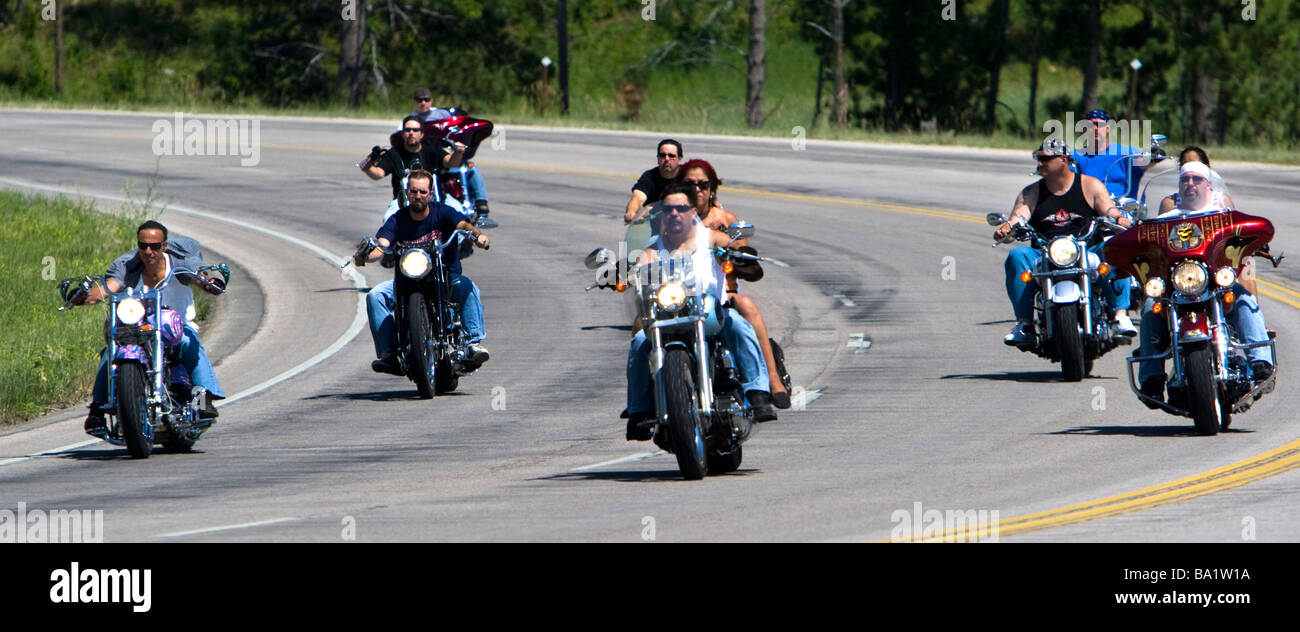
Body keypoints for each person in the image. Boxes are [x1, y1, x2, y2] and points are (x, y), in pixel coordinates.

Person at [624, 182, 777, 441]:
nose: (674, 214)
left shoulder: (710, 238)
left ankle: (758, 391)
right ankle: (640, 410)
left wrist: (740, 254)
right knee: (639, 341)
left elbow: (736, 249)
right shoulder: (653, 248)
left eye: (681, 208)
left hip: (709, 312)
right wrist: (620, 273)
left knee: (738, 325)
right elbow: (637, 267)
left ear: (693, 211)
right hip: (667, 316)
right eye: (669, 209)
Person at [1135, 161, 1273, 404]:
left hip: (1216, 285)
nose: (1190, 184)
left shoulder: (1222, 216)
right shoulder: (1167, 220)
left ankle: (1261, 362)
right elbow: (1143, 241)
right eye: (1185, 179)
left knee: (1243, 299)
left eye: (1196, 179)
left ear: (1208, 184)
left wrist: (1257, 241)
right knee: (1149, 309)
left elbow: (1243, 230)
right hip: (1178, 288)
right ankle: (1151, 378)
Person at [80, 221, 225, 436]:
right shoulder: (128, 266)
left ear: (164, 246)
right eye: (143, 245)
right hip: (139, 328)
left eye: (155, 246)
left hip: (177, 326)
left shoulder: (179, 262)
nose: (149, 251)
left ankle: (204, 398)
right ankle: (97, 410)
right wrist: (83, 296)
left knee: (188, 342)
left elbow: (198, 277)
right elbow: (109, 288)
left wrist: (211, 284)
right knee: (110, 352)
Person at [994, 139, 1135, 345]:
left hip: (1086, 250)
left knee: (1113, 248)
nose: (1039, 163)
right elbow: (1018, 216)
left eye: (1045, 159)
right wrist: (1008, 227)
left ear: (1063, 159)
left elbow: (1108, 208)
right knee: (1017, 256)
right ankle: (1024, 324)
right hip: (1045, 253)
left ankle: (1120, 317)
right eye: (1038, 158)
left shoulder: (1089, 185)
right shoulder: (1031, 193)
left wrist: (1119, 218)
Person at [678, 159, 791, 409]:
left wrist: (733, 246)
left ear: (712, 189)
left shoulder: (725, 219)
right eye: (689, 184)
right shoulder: (673, 216)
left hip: (722, 295)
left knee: (746, 305)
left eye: (703, 184)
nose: (696, 189)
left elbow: (749, 262)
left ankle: (771, 379)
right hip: (679, 296)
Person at [354, 170, 492, 375]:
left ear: (430, 194)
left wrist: (477, 237)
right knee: (376, 296)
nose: (418, 195)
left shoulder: (443, 212)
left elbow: (463, 225)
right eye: (413, 191)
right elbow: (382, 245)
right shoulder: (397, 219)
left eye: (422, 191)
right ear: (406, 193)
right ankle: (388, 353)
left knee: (467, 287)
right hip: (406, 281)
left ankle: (473, 343)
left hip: (443, 277)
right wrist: (366, 256)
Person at [409, 88, 496, 228]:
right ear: (415, 101)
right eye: (419, 100)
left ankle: (481, 206)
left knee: (470, 167)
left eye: (426, 99)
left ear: (431, 101)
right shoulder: (411, 121)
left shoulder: (442, 114)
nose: (423, 103)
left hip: (447, 152)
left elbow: (458, 127)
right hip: (429, 157)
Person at [360, 115, 466, 221]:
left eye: (415, 130)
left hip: (436, 199)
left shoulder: (432, 148)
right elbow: (378, 173)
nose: (411, 133)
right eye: (408, 130)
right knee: (388, 218)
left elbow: (451, 163)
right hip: (402, 201)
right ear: (403, 134)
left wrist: (458, 152)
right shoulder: (394, 153)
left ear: (421, 134)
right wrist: (367, 168)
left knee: (460, 216)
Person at [1071, 109, 1155, 200]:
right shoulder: (1077, 156)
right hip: (1090, 205)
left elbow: (1145, 163)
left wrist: (1153, 157)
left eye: (1099, 125)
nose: (1095, 128)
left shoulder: (1125, 153)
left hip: (1120, 206)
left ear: (1107, 128)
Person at [623, 139, 684, 223]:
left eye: (671, 156)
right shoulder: (650, 176)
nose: (666, 159)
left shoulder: (688, 175)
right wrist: (631, 213)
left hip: (684, 226)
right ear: (658, 158)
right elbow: (638, 197)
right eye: (662, 155)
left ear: (679, 159)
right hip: (657, 227)